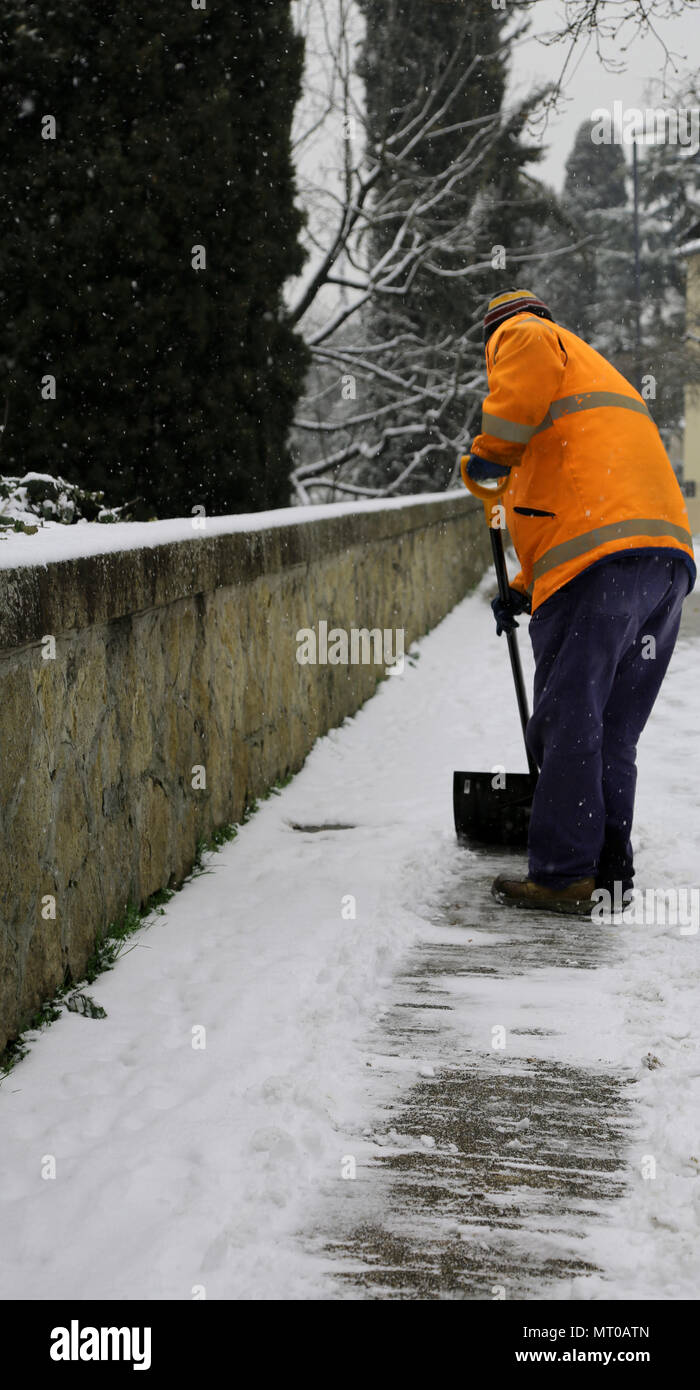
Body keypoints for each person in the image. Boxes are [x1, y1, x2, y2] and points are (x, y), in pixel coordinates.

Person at [464, 289, 696, 915]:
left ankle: (565, 872)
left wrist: (489, 456)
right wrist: (523, 587)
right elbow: (582, 500)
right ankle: (609, 871)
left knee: (570, 721)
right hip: (662, 561)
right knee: (614, 728)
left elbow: (515, 407)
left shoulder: (526, 334)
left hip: (602, 563)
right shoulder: (596, 375)